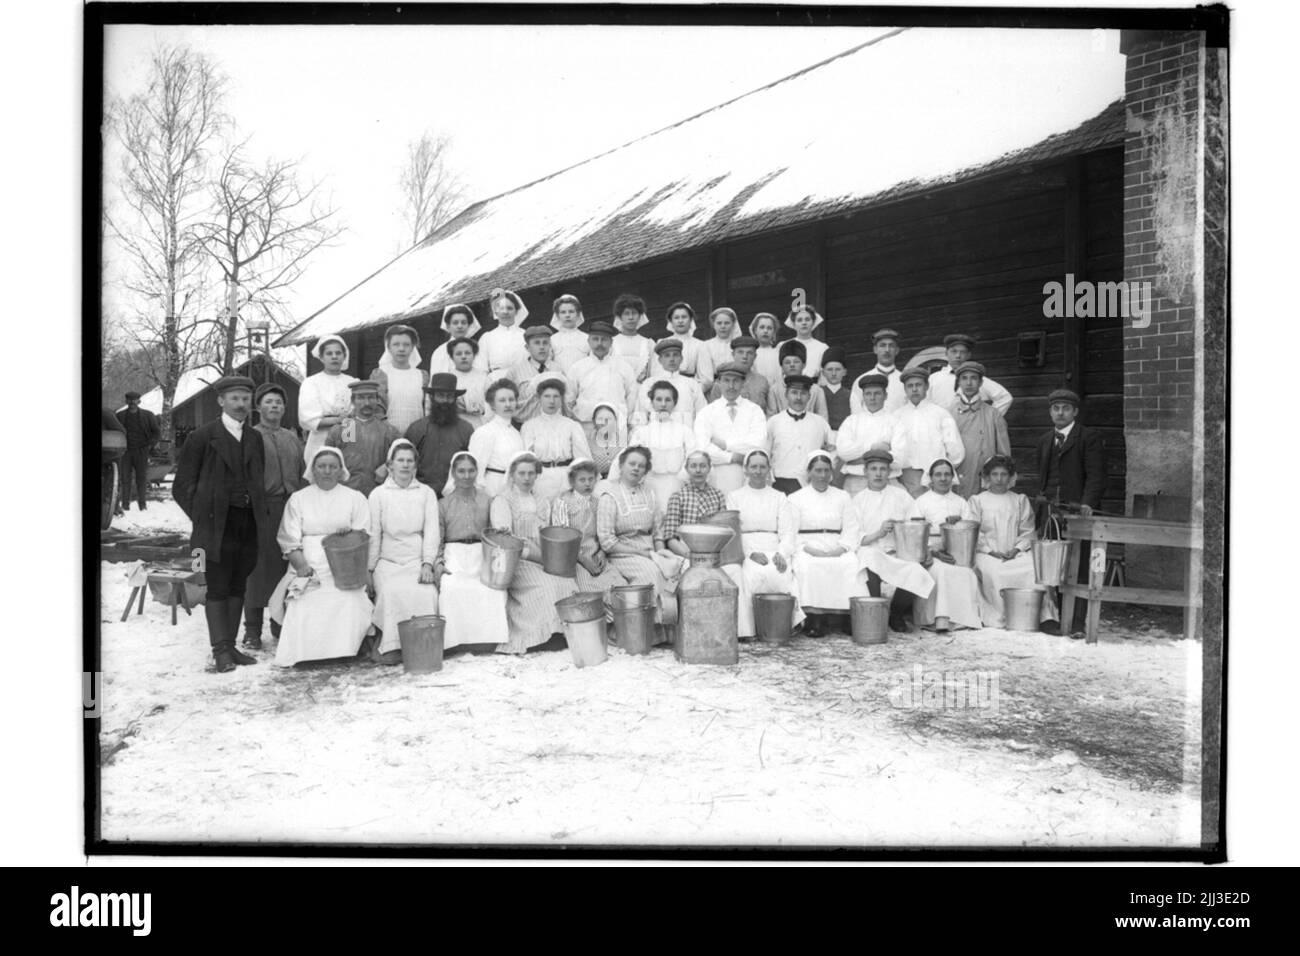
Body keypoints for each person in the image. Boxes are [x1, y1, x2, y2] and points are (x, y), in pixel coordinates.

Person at [173, 376, 268, 673]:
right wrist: (203, 516)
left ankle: (231, 646)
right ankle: (220, 651)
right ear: (221, 401)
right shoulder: (202, 437)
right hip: (214, 526)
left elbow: (257, 480)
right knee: (217, 585)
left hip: (247, 522)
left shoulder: (254, 438)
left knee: (239, 582)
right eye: (235, 399)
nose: (241, 405)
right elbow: (182, 486)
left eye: (245, 399)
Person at [270, 446, 374, 666]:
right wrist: (301, 566)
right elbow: (289, 537)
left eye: (332, 467)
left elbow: (362, 534)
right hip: (309, 563)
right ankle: (305, 654)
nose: (327, 471)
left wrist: (349, 537)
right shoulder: (298, 498)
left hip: (345, 564)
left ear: (340, 470)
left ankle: (346, 649)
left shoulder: (355, 498)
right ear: (313, 470)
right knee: (305, 600)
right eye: (322, 466)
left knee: (349, 598)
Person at [489, 452, 579, 654]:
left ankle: (559, 632)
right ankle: (538, 636)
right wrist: (532, 554)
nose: (527, 478)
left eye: (531, 473)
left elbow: (549, 533)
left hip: (543, 557)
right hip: (517, 559)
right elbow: (505, 540)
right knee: (546, 585)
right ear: (512, 475)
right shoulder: (502, 500)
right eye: (522, 473)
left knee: (567, 582)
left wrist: (550, 557)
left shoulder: (542, 500)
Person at [242, 382, 306, 650]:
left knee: (285, 567)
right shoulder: (250, 436)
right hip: (260, 508)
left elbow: (302, 471)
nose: (274, 407)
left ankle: (280, 624)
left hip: (289, 507)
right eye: (268, 402)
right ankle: (252, 629)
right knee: (257, 569)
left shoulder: (292, 437)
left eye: (278, 403)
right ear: (258, 407)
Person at [365, 439, 440, 665]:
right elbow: (374, 534)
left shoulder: (426, 493)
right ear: (390, 465)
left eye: (410, 461)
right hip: (387, 560)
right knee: (390, 591)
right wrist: (370, 568)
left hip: (415, 559)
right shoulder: (378, 494)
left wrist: (427, 563)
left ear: (416, 466)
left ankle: (423, 647)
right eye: (400, 460)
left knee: (426, 594)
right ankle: (391, 647)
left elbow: (432, 531)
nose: (405, 465)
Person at [662, 451, 750, 638]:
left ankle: (738, 632)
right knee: (693, 576)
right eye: (693, 466)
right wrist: (690, 555)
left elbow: (725, 530)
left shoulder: (718, 495)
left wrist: (714, 555)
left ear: (709, 468)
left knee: (734, 570)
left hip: (715, 553)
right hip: (686, 552)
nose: (698, 470)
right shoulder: (678, 496)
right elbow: (670, 537)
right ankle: (697, 632)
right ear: (687, 469)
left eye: (702, 465)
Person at [596, 445, 685, 627]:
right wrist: (644, 554)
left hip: (651, 552)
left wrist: (661, 552)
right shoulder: (609, 497)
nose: (636, 468)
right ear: (621, 466)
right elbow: (607, 541)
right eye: (632, 464)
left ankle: (673, 626)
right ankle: (648, 629)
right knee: (651, 572)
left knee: (679, 568)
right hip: (622, 554)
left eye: (641, 466)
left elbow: (658, 530)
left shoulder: (650, 494)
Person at [967, 455, 1059, 630]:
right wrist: (989, 551)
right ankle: (998, 616)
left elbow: (1028, 531)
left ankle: (1042, 616)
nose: (999, 479)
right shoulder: (977, 501)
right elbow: (973, 532)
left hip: (1014, 553)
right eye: (994, 474)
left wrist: (1016, 550)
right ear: (987, 477)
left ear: (1010, 477)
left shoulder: (1019, 500)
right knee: (994, 571)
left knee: (1033, 569)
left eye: (1003, 474)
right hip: (986, 553)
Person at [850, 449, 935, 633]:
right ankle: (875, 611)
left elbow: (916, 523)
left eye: (883, 469)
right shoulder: (858, 500)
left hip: (898, 550)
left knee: (916, 569)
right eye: (873, 469)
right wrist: (878, 533)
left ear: (889, 472)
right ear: (865, 472)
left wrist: (918, 543)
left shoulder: (901, 496)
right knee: (869, 560)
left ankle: (895, 612)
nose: (878, 474)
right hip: (871, 548)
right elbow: (854, 535)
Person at [436, 451, 508, 649]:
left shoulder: (487, 500)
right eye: (461, 471)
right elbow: (438, 539)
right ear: (453, 473)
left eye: (470, 471)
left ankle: (486, 641)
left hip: (481, 554)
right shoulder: (443, 504)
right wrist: (439, 562)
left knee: (490, 590)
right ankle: (455, 642)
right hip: (454, 555)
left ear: (477, 472)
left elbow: (495, 535)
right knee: (451, 589)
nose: (466, 476)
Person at [726, 449, 802, 634]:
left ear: (769, 469)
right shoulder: (734, 496)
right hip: (746, 549)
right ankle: (751, 627)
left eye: (762, 467)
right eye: (754, 467)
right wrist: (750, 554)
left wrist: (781, 554)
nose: (758, 471)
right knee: (750, 575)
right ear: (746, 470)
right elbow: (733, 532)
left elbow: (787, 532)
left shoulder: (779, 497)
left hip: (773, 547)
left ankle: (781, 624)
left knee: (779, 573)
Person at [787, 451, 862, 637]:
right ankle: (814, 619)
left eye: (826, 471)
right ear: (809, 472)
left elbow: (851, 528)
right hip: (807, 545)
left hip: (837, 544)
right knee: (808, 566)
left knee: (850, 564)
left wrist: (841, 548)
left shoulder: (843, 496)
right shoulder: (795, 498)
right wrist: (809, 549)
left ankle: (847, 618)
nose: (822, 476)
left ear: (832, 473)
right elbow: (790, 531)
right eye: (818, 470)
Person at [912, 459, 983, 632]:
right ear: (931, 478)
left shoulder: (961, 503)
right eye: (938, 474)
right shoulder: (921, 502)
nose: (943, 478)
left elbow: (972, 529)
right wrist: (933, 552)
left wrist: (958, 524)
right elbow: (915, 534)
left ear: (952, 477)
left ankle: (962, 619)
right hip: (929, 552)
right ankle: (939, 618)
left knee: (966, 572)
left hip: (957, 552)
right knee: (941, 571)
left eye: (947, 474)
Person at [549, 459, 628, 596]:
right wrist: (583, 560)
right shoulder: (562, 502)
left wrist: (602, 553)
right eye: (582, 480)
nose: (587, 484)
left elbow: (604, 533)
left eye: (591, 479)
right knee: (589, 589)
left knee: (619, 585)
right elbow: (563, 540)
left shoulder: (598, 502)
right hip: (574, 559)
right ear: (572, 482)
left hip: (596, 555)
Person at [694, 362, 769, 494]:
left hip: (748, 476)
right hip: (717, 476)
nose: (731, 386)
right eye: (726, 381)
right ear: (718, 382)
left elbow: (758, 444)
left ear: (743, 382)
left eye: (736, 381)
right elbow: (703, 450)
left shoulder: (754, 410)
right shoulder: (706, 412)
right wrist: (732, 457)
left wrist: (725, 444)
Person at [890, 367, 964, 498]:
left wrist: (940, 472)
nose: (914, 389)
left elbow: (955, 450)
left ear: (926, 386)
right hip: (907, 476)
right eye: (910, 386)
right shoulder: (897, 416)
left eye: (918, 385)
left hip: (934, 477)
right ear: (905, 389)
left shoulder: (940, 413)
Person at [1035, 388, 1106, 520]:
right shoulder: (1044, 440)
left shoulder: (1089, 437)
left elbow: (1096, 476)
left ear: (1075, 412)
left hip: (1079, 510)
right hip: (1049, 510)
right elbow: (1041, 475)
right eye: (1056, 409)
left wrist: (1087, 503)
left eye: (1066, 408)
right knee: (1048, 540)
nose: (1060, 413)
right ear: (1050, 412)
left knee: (1077, 541)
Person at [402, 372, 476, 496]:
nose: (445, 401)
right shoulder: (417, 428)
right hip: (420, 493)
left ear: (455, 399)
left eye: (449, 396)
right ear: (432, 397)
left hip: (454, 494)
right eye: (440, 396)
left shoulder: (466, 429)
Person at [325, 381, 402, 498]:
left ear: (377, 400)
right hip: (346, 494)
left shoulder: (389, 431)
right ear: (352, 400)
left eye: (371, 397)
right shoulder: (343, 428)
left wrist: (387, 467)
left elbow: (404, 457)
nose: (366, 403)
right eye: (361, 398)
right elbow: (326, 461)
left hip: (379, 494)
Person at [521, 378, 592, 499]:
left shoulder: (572, 425)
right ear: (539, 399)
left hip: (566, 478)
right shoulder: (529, 426)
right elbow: (527, 459)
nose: (551, 401)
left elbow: (582, 457)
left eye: (556, 396)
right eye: (547, 396)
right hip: (540, 479)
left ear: (561, 399)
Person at [629, 381, 695, 510]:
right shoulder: (642, 432)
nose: (663, 404)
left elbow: (691, 457)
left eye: (668, 400)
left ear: (674, 403)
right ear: (652, 402)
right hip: (648, 485)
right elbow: (633, 459)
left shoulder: (685, 431)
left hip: (677, 485)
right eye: (658, 399)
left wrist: (680, 483)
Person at [568, 320, 638, 440]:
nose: (599, 343)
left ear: (611, 342)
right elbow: (569, 399)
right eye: (595, 339)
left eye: (604, 339)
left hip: (616, 427)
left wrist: (625, 421)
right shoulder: (577, 368)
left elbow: (632, 397)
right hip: (586, 426)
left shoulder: (624, 367)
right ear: (588, 341)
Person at [951, 361, 1011, 498]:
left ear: (981, 382)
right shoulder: (949, 413)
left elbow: (1003, 454)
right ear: (959, 382)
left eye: (973, 378)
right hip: (957, 479)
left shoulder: (992, 414)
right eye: (964, 378)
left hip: (982, 479)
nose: (969, 383)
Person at [299, 333, 359, 464]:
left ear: (344, 356)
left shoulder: (353, 382)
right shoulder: (311, 382)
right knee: (322, 470)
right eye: (329, 353)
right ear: (321, 357)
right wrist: (338, 419)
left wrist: (348, 434)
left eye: (338, 353)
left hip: (347, 431)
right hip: (320, 438)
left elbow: (354, 415)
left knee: (347, 468)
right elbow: (308, 419)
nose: (334, 357)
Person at [767, 374, 832, 494]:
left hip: (811, 484)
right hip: (781, 483)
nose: (798, 397)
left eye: (803, 393)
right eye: (794, 392)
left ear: (809, 396)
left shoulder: (820, 422)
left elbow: (833, 449)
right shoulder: (773, 422)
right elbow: (765, 453)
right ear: (786, 395)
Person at [835, 373, 897, 496]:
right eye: (868, 394)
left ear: (885, 396)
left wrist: (855, 460)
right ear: (863, 396)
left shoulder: (895, 422)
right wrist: (875, 448)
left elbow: (900, 458)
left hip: (887, 483)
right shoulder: (851, 421)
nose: (872, 398)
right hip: (855, 482)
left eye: (877, 393)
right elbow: (843, 452)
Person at [927, 333, 1013, 417]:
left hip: (968, 429)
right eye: (954, 351)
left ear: (968, 355)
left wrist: (987, 420)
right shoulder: (934, 379)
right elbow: (925, 405)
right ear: (946, 353)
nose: (958, 356)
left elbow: (1005, 397)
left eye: (963, 352)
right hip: (940, 429)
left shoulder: (977, 379)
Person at [467, 379, 526, 496]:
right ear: (493, 405)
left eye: (511, 400)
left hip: (514, 489)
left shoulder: (516, 433)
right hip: (493, 489)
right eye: (502, 400)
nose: (508, 404)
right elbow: (477, 471)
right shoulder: (485, 432)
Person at [369, 323, 429, 433]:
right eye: (396, 344)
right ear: (389, 347)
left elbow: (427, 409)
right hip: (387, 435)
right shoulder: (380, 374)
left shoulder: (422, 376)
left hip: (418, 436)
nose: (401, 349)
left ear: (412, 347)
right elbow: (376, 409)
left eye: (406, 344)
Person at [633, 339, 705, 427]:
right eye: (667, 356)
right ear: (660, 360)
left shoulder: (692, 384)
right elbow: (640, 416)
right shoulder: (649, 384)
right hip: (657, 436)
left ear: (681, 358)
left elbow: (702, 415)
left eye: (675, 355)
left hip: (686, 436)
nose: (672, 359)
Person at [507, 325, 569, 422]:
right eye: (536, 343)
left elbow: (566, 401)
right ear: (527, 347)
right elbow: (507, 402)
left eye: (545, 343)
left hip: (554, 425)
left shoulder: (557, 369)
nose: (541, 347)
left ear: (550, 346)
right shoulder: (515, 371)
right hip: (524, 425)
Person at [707, 336, 776, 414]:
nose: (745, 357)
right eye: (740, 352)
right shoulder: (721, 383)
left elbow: (770, 412)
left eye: (749, 353)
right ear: (733, 354)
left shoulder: (762, 381)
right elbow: (713, 413)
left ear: (755, 356)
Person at [116, 390, 160, 510]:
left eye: (134, 400)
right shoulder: (119, 416)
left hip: (142, 450)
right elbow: (115, 432)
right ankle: (125, 505)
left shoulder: (148, 415)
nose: (132, 403)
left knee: (141, 478)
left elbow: (156, 432)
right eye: (130, 400)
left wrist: (150, 445)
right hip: (125, 451)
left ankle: (142, 505)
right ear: (126, 401)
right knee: (125, 479)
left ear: (139, 401)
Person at [651, 302, 710, 390]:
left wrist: (691, 391)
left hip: (690, 389)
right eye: (676, 318)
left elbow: (706, 379)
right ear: (671, 321)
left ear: (690, 320)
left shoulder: (700, 345)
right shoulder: (662, 343)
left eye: (684, 317)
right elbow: (655, 372)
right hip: (665, 390)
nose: (680, 321)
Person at [850, 328, 907, 414]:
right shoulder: (861, 380)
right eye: (882, 345)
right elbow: (856, 412)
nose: (887, 350)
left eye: (891, 345)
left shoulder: (905, 381)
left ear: (897, 350)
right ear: (875, 349)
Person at [769, 341, 830, 418]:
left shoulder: (816, 390)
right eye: (787, 362)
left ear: (804, 365)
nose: (792, 365)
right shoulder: (774, 390)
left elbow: (823, 418)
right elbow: (771, 418)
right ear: (781, 366)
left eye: (796, 362)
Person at [478, 289, 529, 375]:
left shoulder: (526, 335)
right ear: (495, 311)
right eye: (501, 308)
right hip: (497, 382)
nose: (505, 312)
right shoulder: (487, 338)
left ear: (516, 311)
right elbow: (481, 368)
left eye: (510, 308)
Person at [445, 337, 490, 428]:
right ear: (451, 357)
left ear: (474, 355)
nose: (463, 356)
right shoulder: (448, 378)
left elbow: (491, 404)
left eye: (468, 353)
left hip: (481, 423)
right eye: (458, 354)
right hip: (456, 425)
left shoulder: (484, 377)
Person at [430, 304, 487, 375]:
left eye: (463, 323)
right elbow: (436, 379)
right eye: (455, 323)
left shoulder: (478, 349)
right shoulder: (440, 352)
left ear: (469, 326)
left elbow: (483, 373)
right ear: (448, 326)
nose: (460, 326)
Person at [610, 293, 654, 382]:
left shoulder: (648, 344)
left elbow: (653, 373)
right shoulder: (611, 343)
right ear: (620, 317)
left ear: (640, 316)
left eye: (634, 313)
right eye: (626, 314)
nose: (631, 317)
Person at [700, 307, 743, 391]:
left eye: (727, 323)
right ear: (714, 325)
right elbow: (706, 377)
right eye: (719, 323)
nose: (723, 326)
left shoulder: (739, 345)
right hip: (714, 387)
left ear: (733, 324)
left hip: (738, 386)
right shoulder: (706, 345)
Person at [784, 303, 829, 379]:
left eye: (807, 319)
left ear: (813, 322)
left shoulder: (822, 347)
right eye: (799, 320)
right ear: (794, 324)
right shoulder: (785, 345)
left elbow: (825, 375)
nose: (804, 323)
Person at [549, 293, 590, 372]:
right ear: (557, 315)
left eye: (571, 311)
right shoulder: (552, 340)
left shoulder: (586, 338)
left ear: (578, 314)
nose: (567, 315)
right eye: (563, 312)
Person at [819, 347, 853, 436]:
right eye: (829, 369)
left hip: (845, 436)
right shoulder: (818, 393)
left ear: (844, 372)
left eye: (838, 369)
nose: (834, 373)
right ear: (823, 372)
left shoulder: (851, 395)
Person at [589, 402, 626, 481]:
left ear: (615, 420)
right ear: (593, 421)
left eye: (608, 419)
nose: (604, 422)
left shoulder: (623, 440)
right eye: (600, 419)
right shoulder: (587, 442)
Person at [749, 312, 784, 389]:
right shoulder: (750, 353)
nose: (765, 331)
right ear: (755, 330)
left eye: (769, 328)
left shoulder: (778, 352)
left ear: (774, 332)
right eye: (762, 327)